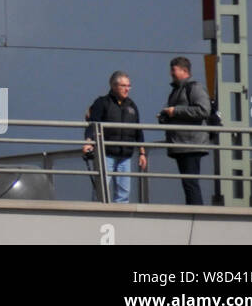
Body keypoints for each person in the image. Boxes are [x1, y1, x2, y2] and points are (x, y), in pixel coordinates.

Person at [82, 71, 147, 203]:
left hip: (125, 155)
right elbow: (93, 124)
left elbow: (138, 129)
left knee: (124, 193)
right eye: (123, 85)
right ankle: (97, 216)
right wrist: (89, 142)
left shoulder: (131, 105)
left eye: (129, 85)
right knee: (101, 190)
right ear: (113, 86)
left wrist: (142, 152)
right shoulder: (102, 103)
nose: (127, 88)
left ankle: (120, 220)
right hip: (106, 154)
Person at [158, 56, 211, 205]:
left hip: (191, 144)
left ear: (184, 71)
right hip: (181, 144)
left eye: (173, 70)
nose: (171, 73)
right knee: (188, 182)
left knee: (190, 182)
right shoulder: (176, 90)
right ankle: (194, 209)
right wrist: (166, 116)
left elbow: (203, 110)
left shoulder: (194, 87)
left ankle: (196, 211)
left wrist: (175, 111)